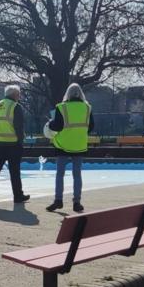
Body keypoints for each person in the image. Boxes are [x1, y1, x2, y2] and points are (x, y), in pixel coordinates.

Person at [46, 83, 94, 212]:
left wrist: (50, 124)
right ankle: (77, 202)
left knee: (60, 174)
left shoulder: (61, 107)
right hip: (79, 144)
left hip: (63, 145)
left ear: (67, 93)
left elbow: (57, 126)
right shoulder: (87, 108)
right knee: (77, 175)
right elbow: (91, 127)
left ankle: (58, 200)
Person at [0, 84, 29, 206]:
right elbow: (19, 126)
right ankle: (18, 196)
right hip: (12, 144)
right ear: (15, 95)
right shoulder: (15, 106)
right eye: (18, 95)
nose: (19, 97)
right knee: (15, 171)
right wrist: (21, 141)